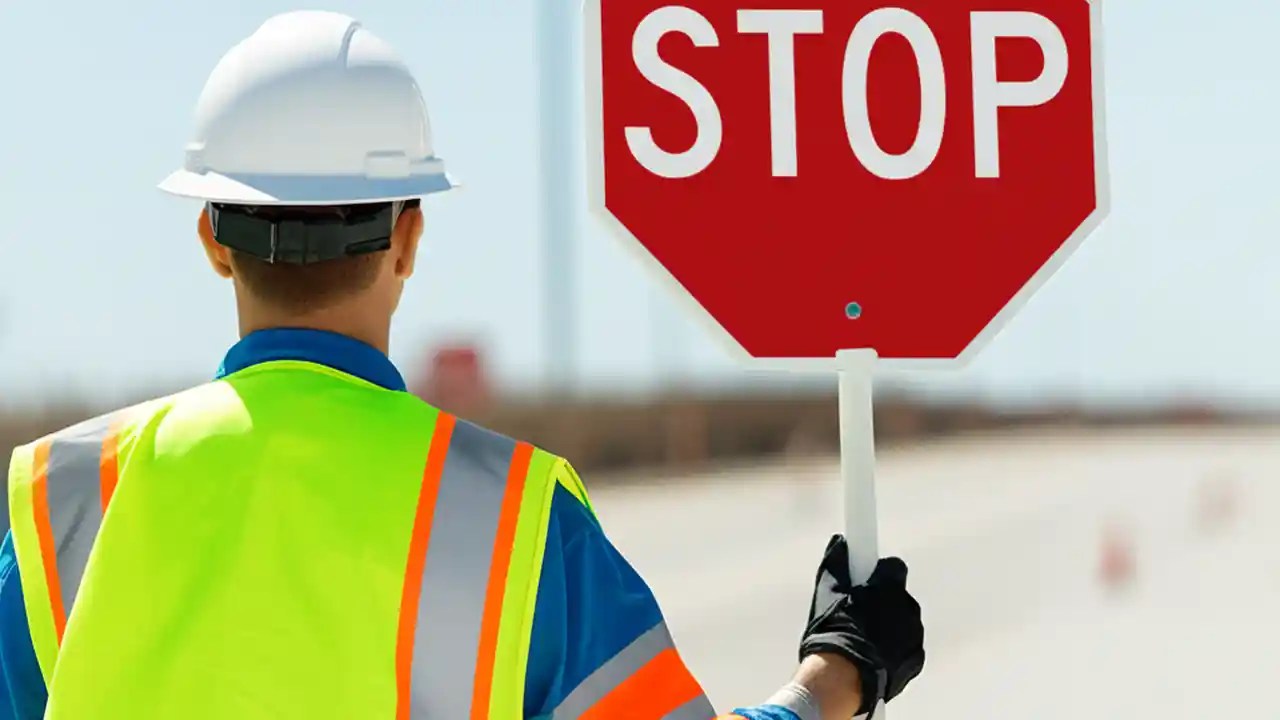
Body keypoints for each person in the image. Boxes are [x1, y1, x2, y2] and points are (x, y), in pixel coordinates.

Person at [0, 11, 924, 720]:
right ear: (408, 237)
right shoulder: (510, 515)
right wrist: (837, 673)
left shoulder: (63, 499)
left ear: (211, 238)